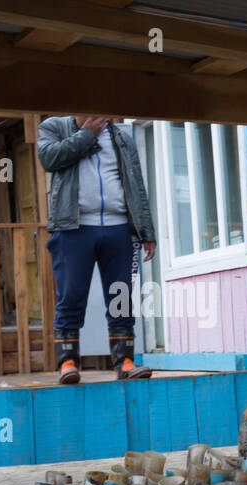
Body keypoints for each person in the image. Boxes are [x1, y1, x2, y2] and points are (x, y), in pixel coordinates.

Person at [38, 115, 156, 384]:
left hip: (118, 227)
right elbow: (49, 159)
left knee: (121, 295)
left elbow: (137, 185)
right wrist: (86, 135)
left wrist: (146, 230)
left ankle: (125, 361)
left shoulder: (122, 137)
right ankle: (67, 362)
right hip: (72, 226)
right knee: (70, 295)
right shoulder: (53, 127)